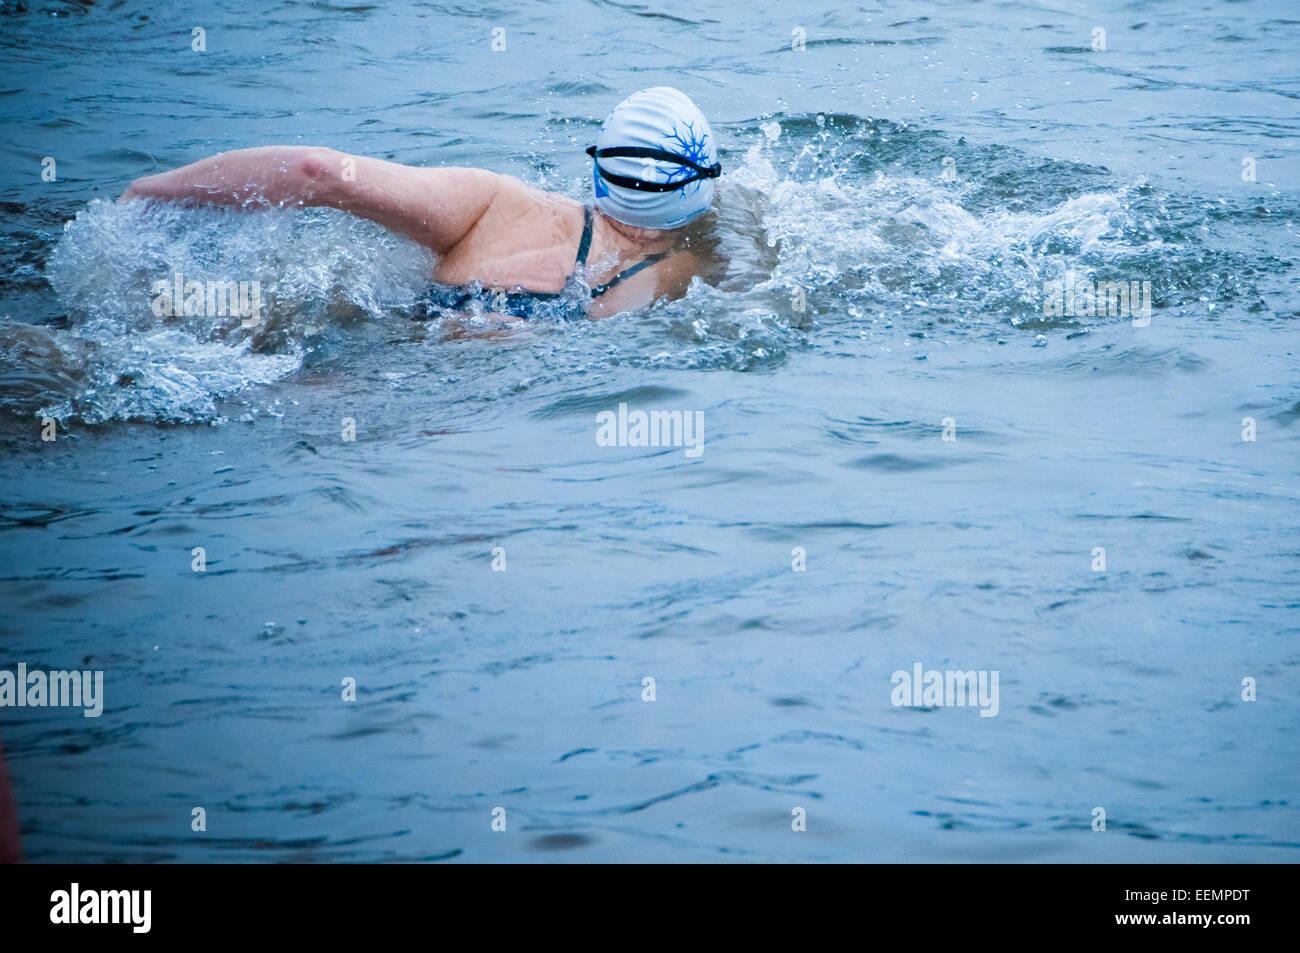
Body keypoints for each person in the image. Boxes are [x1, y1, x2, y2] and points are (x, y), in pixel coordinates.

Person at [119, 87, 721, 321]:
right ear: (706, 186)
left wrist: (145, 198)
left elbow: (318, 172)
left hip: (379, 349)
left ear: (597, 167)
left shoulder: (495, 204)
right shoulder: (686, 273)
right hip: (448, 428)